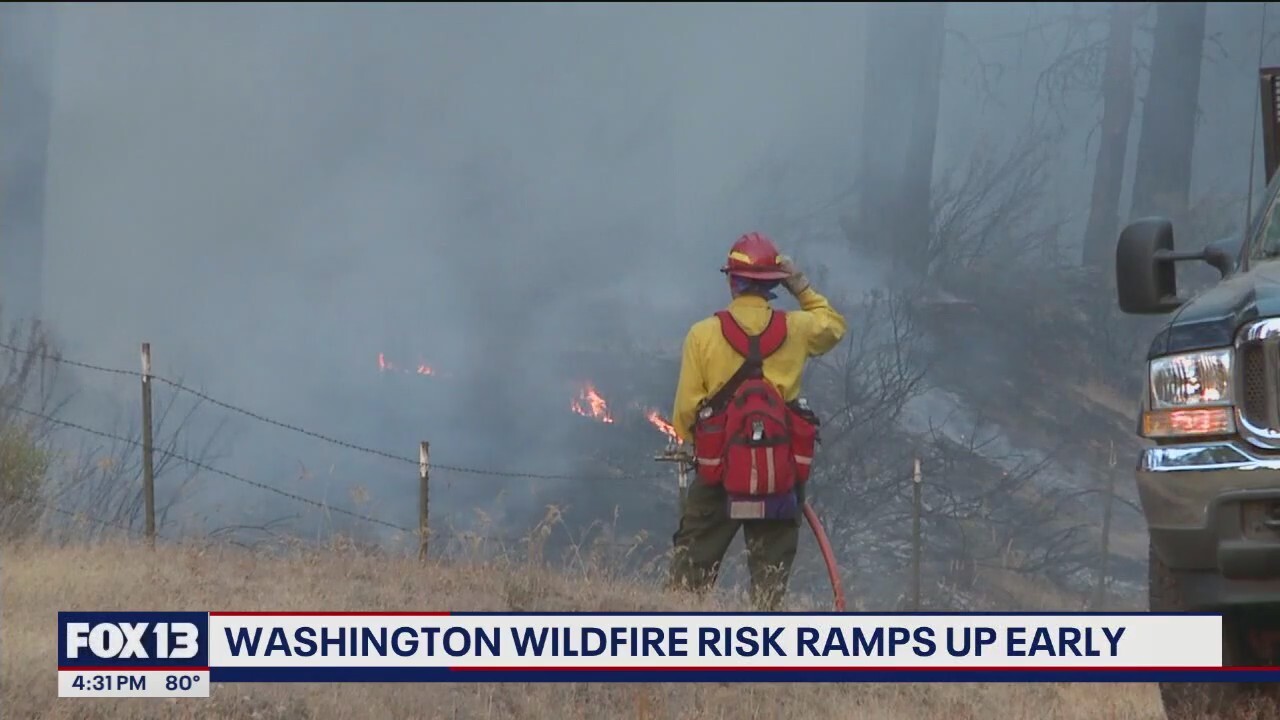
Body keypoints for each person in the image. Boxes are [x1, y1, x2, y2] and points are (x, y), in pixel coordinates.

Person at [668, 231, 847, 610]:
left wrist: (693, 445)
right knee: (770, 582)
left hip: (719, 472)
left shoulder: (702, 334)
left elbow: (686, 408)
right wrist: (800, 285)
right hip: (778, 475)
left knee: (690, 574)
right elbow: (833, 326)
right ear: (773, 285)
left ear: (732, 281)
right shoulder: (797, 329)